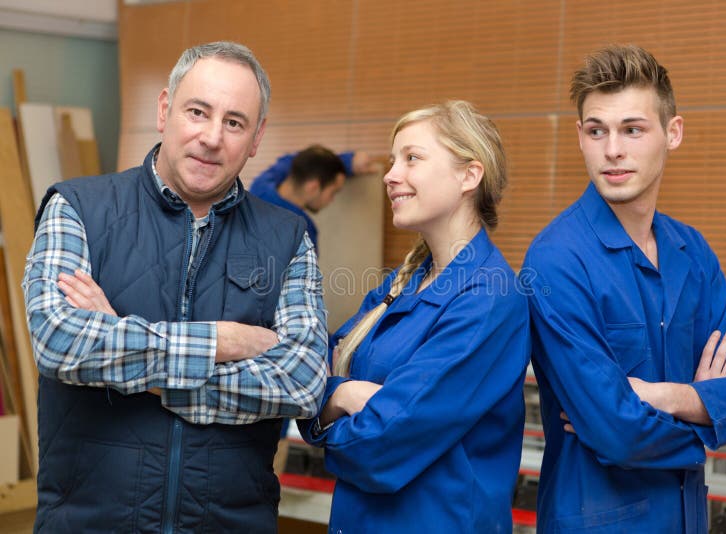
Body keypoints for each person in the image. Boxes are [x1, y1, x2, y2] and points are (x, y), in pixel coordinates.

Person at [23, 41, 328, 533]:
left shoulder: (288, 239)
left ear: (256, 138)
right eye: (197, 111)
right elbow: (60, 343)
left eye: (234, 122)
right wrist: (223, 342)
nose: (211, 137)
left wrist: (122, 346)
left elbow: (303, 380)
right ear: (164, 110)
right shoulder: (78, 207)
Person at [521, 44, 726, 533]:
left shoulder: (692, 252)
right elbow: (615, 432)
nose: (612, 149)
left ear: (672, 133)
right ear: (579, 137)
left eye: (633, 129)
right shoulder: (557, 260)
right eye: (597, 131)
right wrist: (709, 419)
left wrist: (670, 397)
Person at [298, 100, 531, 532]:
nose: (389, 175)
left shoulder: (489, 299)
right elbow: (311, 372)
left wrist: (332, 406)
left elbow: (383, 442)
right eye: (392, 160)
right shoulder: (402, 283)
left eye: (412, 158)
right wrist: (346, 395)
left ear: (469, 175)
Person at [249, 145, 384, 248]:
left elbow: (294, 161)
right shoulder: (303, 232)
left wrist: (347, 163)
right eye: (333, 192)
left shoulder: (259, 188)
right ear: (313, 187)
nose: (331, 200)